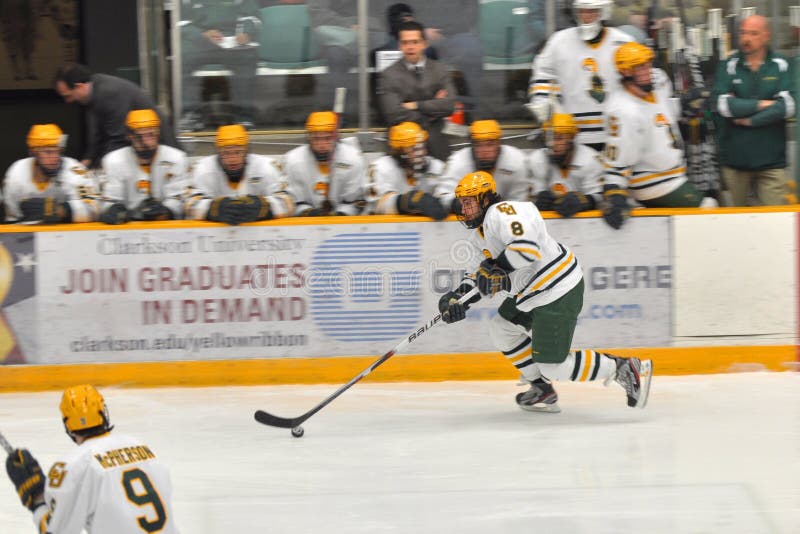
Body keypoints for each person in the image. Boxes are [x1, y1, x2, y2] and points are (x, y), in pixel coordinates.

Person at [438, 171, 652, 413]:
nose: (464, 209)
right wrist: (457, 298)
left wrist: (498, 269)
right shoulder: (479, 235)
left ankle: (623, 368)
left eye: (468, 202)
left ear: (485, 199)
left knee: (553, 366)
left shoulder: (502, 212)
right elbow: (477, 277)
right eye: (462, 203)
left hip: (556, 288)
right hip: (532, 293)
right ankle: (542, 389)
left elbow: (526, 248)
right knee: (502, 328)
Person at [4, 384, 180, 533]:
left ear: (68, 424)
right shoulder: (142, 448)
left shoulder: (71, 467)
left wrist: (38, 501)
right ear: (103, 413)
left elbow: (55, 531)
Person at [602, 42, 714, 228]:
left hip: (674, 175)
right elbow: (617, 158)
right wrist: (614, 192)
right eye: (640, 67)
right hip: (654, 183)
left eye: (648, 64)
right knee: (708, 210)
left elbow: (660, 114)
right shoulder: (623, 110)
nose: (648, 71)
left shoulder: (658, 82)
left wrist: (684, 105)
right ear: (625, 71)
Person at [711, 15, 796, 207]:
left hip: (772, 162)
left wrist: (750, 120)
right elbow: (723, 106)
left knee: (776, 219)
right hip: (735, 161)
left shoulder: (782, 64)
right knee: (737, 221)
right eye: (743, 33)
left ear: (766, 36)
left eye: (753, 34)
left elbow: (789, 106)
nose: (746, 39)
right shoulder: (728, 65)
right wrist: (764, 104)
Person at [526, 0, 633, 151]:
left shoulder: (623, 42)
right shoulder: (559, 41)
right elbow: (543, 73)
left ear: (603, 12)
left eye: (591, 11)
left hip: (615, 132)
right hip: (573, 135)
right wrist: (541, 101)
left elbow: (636, 80)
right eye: (581, 11)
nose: (586, 16)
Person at [53, 63, 178, 169]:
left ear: (79, 86)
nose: (68, 101)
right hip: (141, 153)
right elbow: (97, 136)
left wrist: (100, 168)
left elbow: (118, 138)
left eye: (68, 96)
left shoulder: (108, 93)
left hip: (158, 155)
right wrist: (88, 160)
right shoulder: (94, 91)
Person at [185, 124, 295, 224]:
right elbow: (189, 205)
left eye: (238, 152)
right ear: (218, 153)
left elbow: (287, 202)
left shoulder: (266, 167)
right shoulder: (202, 169)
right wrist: (213, 209)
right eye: (226, 153)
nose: (232, 159)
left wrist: (263, 206)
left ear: (247, 151)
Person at [379, 20, 456, 161]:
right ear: (399, 45)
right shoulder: (388, 75)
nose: (410, 47)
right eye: (405, 43)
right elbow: (393, 113)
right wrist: (430, 115)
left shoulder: (440, 70)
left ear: (424, 44)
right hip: (403, 147)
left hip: (436, 145)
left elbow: (449, 105)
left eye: (415, 42)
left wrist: (416, 105)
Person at [178, 0, 262, 129]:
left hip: (231, 41)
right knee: (182, 60)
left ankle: (244, 115)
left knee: (247, 58)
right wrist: (201, 35)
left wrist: (246, 33)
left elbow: (253, 17)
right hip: (198, 42)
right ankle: (191, 114)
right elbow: (180, 22)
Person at [98, 109, 190, 224]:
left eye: (151, 135)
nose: (146, 143)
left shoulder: (176, 158)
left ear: (158, 133)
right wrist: (112, 210)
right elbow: (109, 200)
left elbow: (179, 199)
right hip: (127, 225)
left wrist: (166, 211)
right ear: (129, 136)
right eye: (139, 136)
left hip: (164, 225)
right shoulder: (113, 160)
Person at [4, 124, 98, 224]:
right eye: (48, 152)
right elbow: (12, 219)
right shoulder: (16, 173)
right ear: (33, 153)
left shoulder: (75, 171)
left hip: (66, 231)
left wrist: (60, 210)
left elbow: (93, 208)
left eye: (58, 152)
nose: (55, 158)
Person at [284, 110, 367, 216]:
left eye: (327, 138)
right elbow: (292, 201)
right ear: (308, 138)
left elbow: (356, 201)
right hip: (306, 222)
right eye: (316, 139)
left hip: (345, 222)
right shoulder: (293, 160)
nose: (322, 145)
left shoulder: (353, 158)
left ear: (336, 137)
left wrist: (340, 214)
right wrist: (309, 212)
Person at [529, 113, 606, 221]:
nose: (552, 144)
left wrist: (585, 201)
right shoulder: (536, 159)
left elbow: (601, 198)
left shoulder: (590, 159)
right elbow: (527, 199)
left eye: (559, 138)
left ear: (571, 138)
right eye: (548, 139)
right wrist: (537, 201)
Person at [367, 121, 448, 219]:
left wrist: (452, 202)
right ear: (400, 152)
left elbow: (446, 195)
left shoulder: (437, 167)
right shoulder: (380, 167)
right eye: (415, 149)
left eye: (423, 146)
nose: (422, 153)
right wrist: (406, 201)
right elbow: (378, 206)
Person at [442, 120, 533, 206]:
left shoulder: (516, 161)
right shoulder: (458, 162)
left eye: (490, 144)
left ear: (499, 144)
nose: (484, 151)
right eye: (478, 145)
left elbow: (521, 201)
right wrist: (459, 204)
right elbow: (444, 195)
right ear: (472, 146)